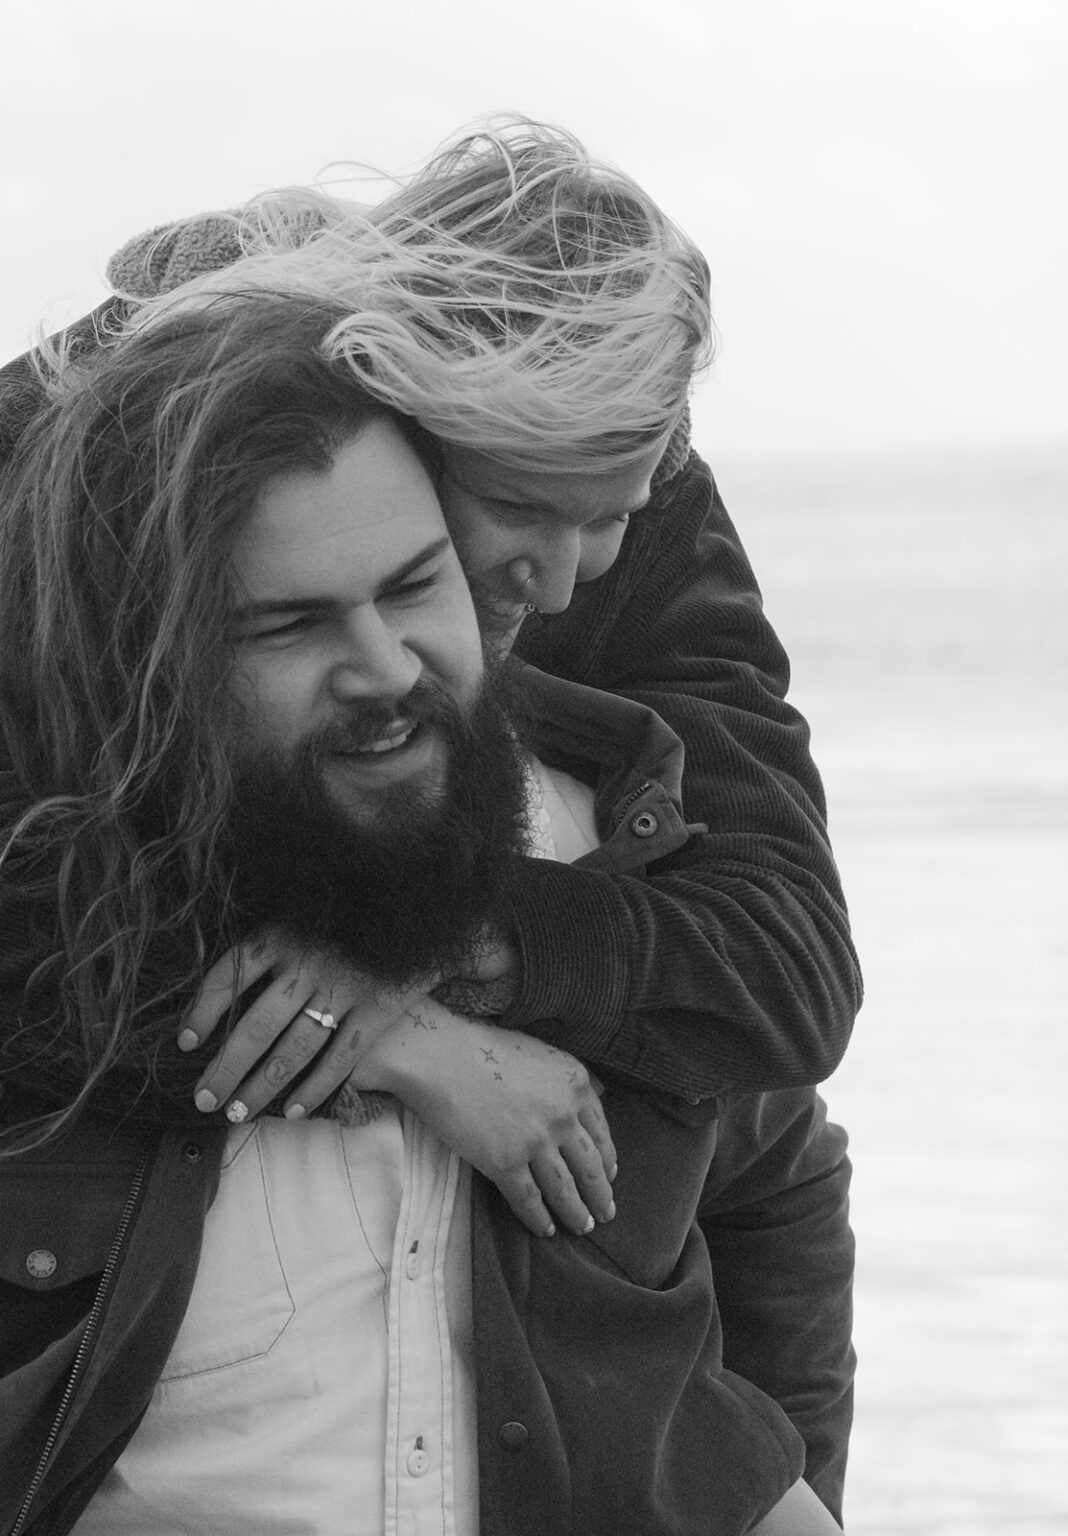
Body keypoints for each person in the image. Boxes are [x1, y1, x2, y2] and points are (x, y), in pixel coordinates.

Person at [0, 119, 859, 1517]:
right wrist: (406, 1047)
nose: (566, 583)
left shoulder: (619, 468)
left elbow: (790, 973)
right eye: (515, 508)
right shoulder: (76, 459)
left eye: (611, 515)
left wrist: (439, 958)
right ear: (384, 411)